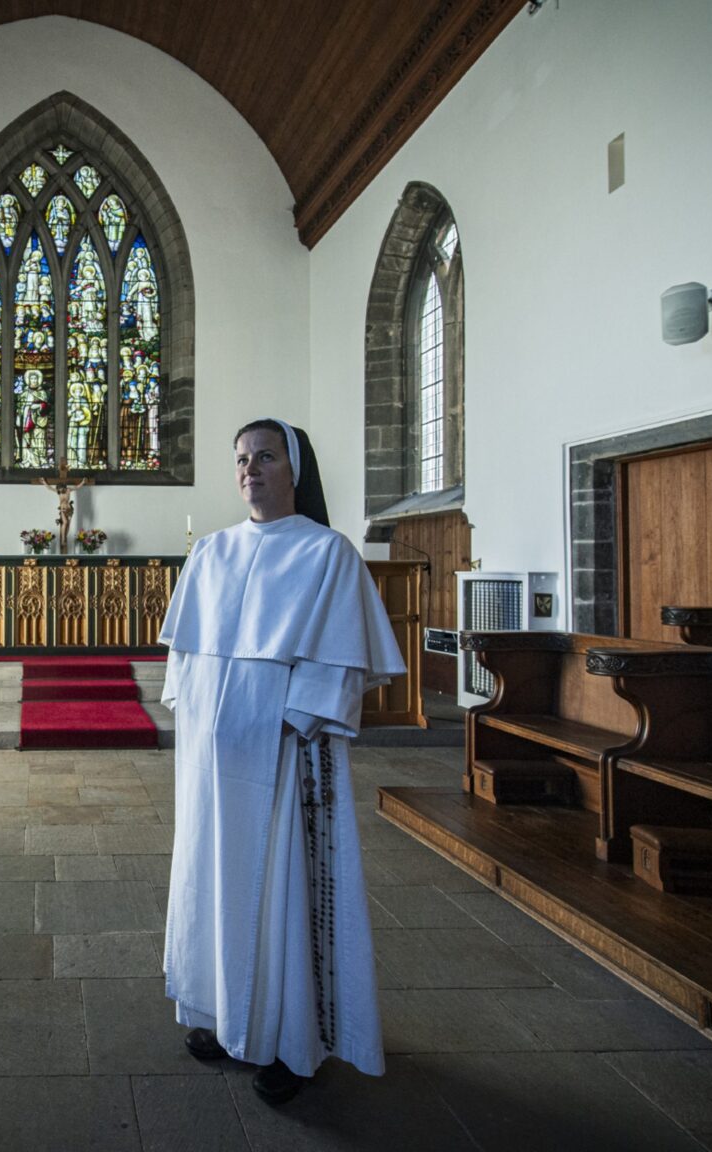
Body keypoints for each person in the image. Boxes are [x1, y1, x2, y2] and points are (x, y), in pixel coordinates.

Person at [158, 417, 404, 1105]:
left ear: (295, 471)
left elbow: (338, 669)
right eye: (240, 459)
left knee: (281, 891)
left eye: (264, 456)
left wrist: (278, 724)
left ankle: (292, 1042)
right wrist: (208, 724)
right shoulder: (209, 553)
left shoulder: (328, 555)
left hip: (283, 762)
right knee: (211, 881)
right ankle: (215, 1011)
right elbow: (184, 661)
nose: (249, 469)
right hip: (210, 768)